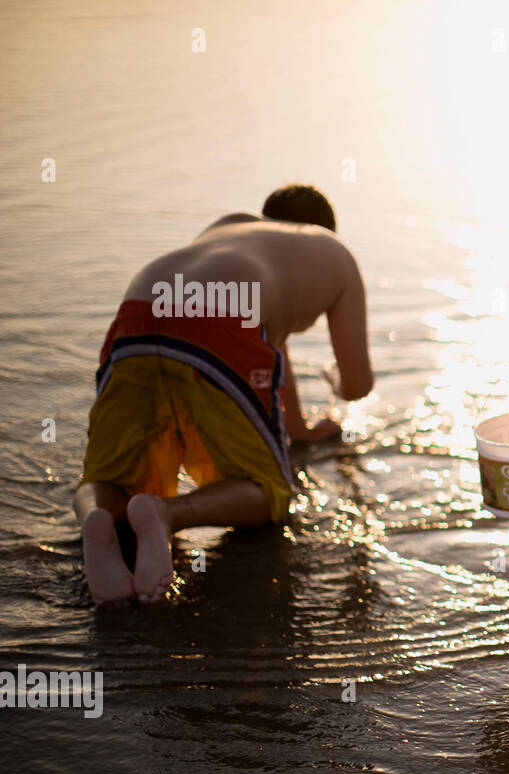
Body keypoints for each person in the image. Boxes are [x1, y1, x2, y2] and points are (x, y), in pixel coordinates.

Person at [76, 184, 373, 604]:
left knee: (112, 476)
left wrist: (297, 428)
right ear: (325, 227)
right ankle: (167, 514)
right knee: (269, 492)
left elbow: (272, 350)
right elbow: (358, 385)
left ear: (266, 217)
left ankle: (97, 517)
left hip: (142, 305)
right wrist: (335, 381)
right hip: (226, 316)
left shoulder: (231, 226)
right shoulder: (335, 252)